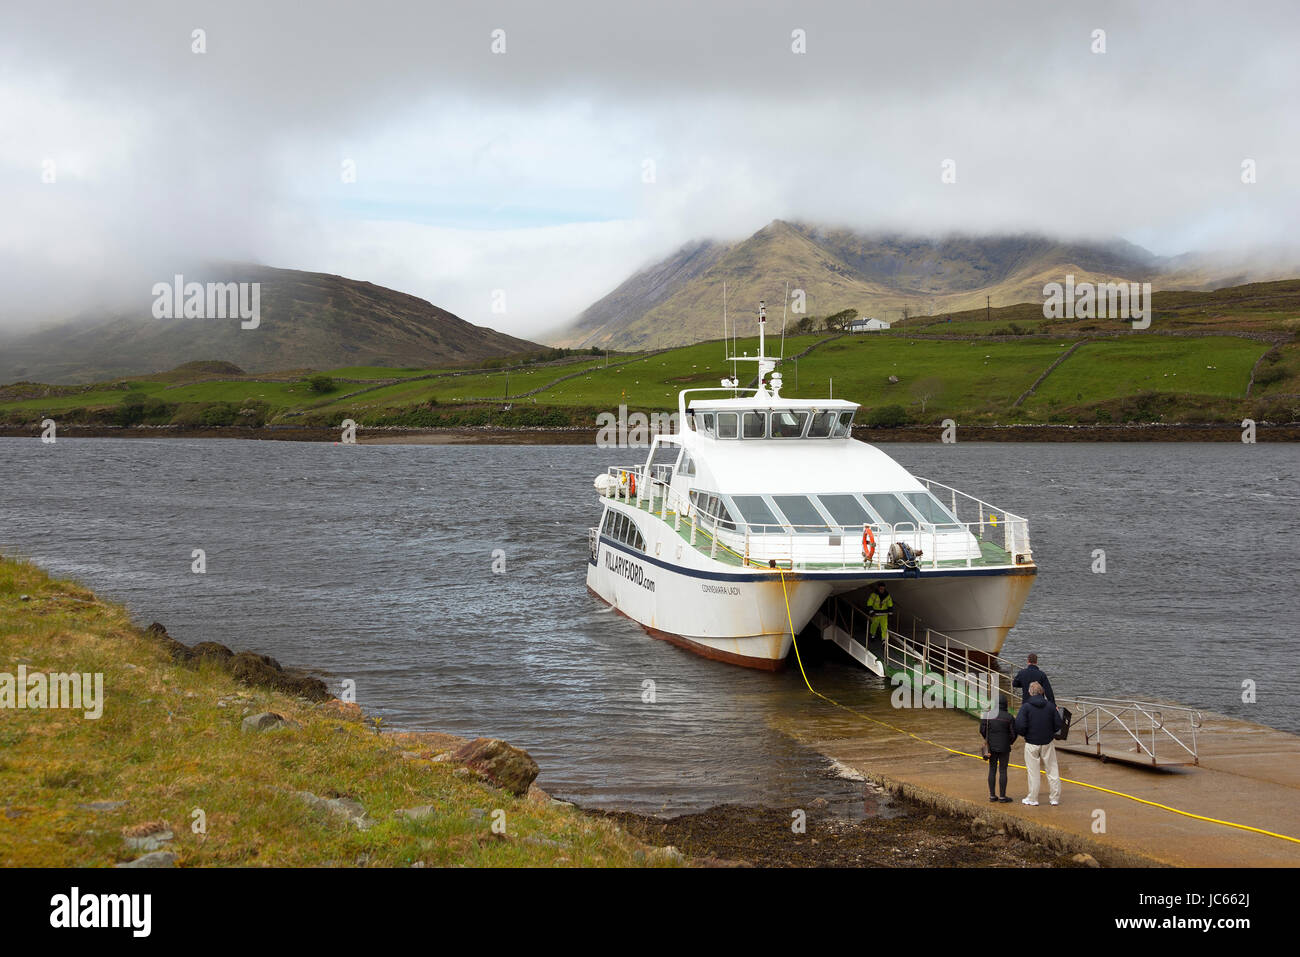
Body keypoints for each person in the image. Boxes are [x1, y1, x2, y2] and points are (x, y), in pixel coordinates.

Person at [1014, 681, 1062, 806]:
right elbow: (1058, 724)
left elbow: (1019, 725)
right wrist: (1050, 732)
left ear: (1030, 692)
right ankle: (1055, 798)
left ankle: (1033, 798)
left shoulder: (1026, 707)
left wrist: (1025, 734)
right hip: (1047, 742)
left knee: (1033, 772)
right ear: (1042, 692)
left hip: (1031, 742)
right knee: (1052, 770)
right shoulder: (1050, 706)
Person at [980, 693, 1017, 803]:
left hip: (991, 747)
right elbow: (1014, 734)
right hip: (1005, 747)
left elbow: (982, 730)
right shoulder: (1009, 717)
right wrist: (1009, 742)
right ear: (1005, 704)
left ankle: (992, 796)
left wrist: (988, 740)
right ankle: (1002, 797)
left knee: (992, 770)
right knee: (1003, 770)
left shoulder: (987, 715)